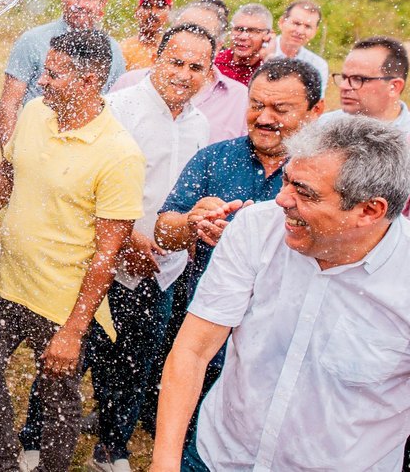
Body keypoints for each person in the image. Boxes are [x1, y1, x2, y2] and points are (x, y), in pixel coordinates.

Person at [152, 115, 410, 472]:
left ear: (369, 210)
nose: (281, 199)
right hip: (218, 458)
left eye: (304, 192)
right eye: (287, 179)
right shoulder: (256, 228)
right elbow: (193, 352)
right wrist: (165, 463)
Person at [0, 28, 143, 472]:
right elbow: (7, 175)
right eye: (45, 70)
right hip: (6, 279)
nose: (42, 81)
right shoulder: (37, 113)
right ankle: (5, 461)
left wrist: (75, 330)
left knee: (56, 399)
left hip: (63, 301)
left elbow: (107, 254)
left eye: (54, 74)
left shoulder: (119, 155)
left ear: (90, 80)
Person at [148, 58, 323, 448]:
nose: (264, 118)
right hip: (208, 331)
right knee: (201, 439)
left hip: (282, 340)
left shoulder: (326, 177)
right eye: (257, 104)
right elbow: (164, 228)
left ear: (316, 112)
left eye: (281, 109)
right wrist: (192, 222)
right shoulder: (215, 158)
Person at [85, 24, 214, 472]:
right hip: (107, 258)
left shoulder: (201, 125)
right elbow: (89, 185)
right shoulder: (119, 109)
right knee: (78, 353)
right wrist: (124, 243)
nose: (183, 74)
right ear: (156, 59)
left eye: (196, 67)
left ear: (208, 73)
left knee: (137, 362)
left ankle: (112, 448)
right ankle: (36, 438)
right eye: (175, 62)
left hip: (164, 268)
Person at [0, 0, 126, 149]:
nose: (80, 5)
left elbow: (116, 108)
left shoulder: (112, 51)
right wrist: (11, 159)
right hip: (37, 146)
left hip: (88, 151)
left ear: (102, 4)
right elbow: (8, 106)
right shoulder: (32, 41)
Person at [113, 0, 249, 143]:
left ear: (218, 47)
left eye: (202, 35)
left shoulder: (239, 98)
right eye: (183, 31)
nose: (190, 42)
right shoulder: (129, 83)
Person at [322, 36, 409, 134]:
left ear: (394, 87)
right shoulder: (324, 127)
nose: (344, 86)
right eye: (344, 77)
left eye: (358, 79)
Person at [266, 0, 328, 94]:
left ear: (315, 31)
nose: (300, 31)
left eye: (308, 26)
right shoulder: (261, 50)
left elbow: (316, 103)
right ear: (281, 22)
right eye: (296, 23)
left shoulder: (317, 65)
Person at [214, 3, 272, 86]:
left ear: (268, 35)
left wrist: (269, 57)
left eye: (252, 31)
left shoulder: (269, 67)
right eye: (238, 29)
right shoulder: (215, 63)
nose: (243, 37)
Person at [120, 0, 172, 70]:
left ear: (169, 14)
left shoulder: (172, 49)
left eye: (160, 7)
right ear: (137, 12)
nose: (153, 13)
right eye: (147, 6)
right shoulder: (124, 49)